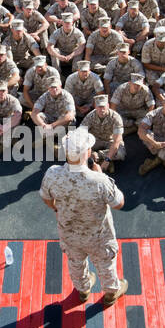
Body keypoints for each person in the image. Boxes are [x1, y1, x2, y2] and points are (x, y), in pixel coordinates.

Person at [39, 127, 127, 304]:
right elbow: (119, 203)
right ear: (87, 152)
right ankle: (111, 293)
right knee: (105, 263)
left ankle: (84, 290)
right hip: (98, 236)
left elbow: (46, 198)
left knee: (76, 263)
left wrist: (57, 210)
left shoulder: (52, 174)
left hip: (69, 233)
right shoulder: (99, 181)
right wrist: (100, 175)